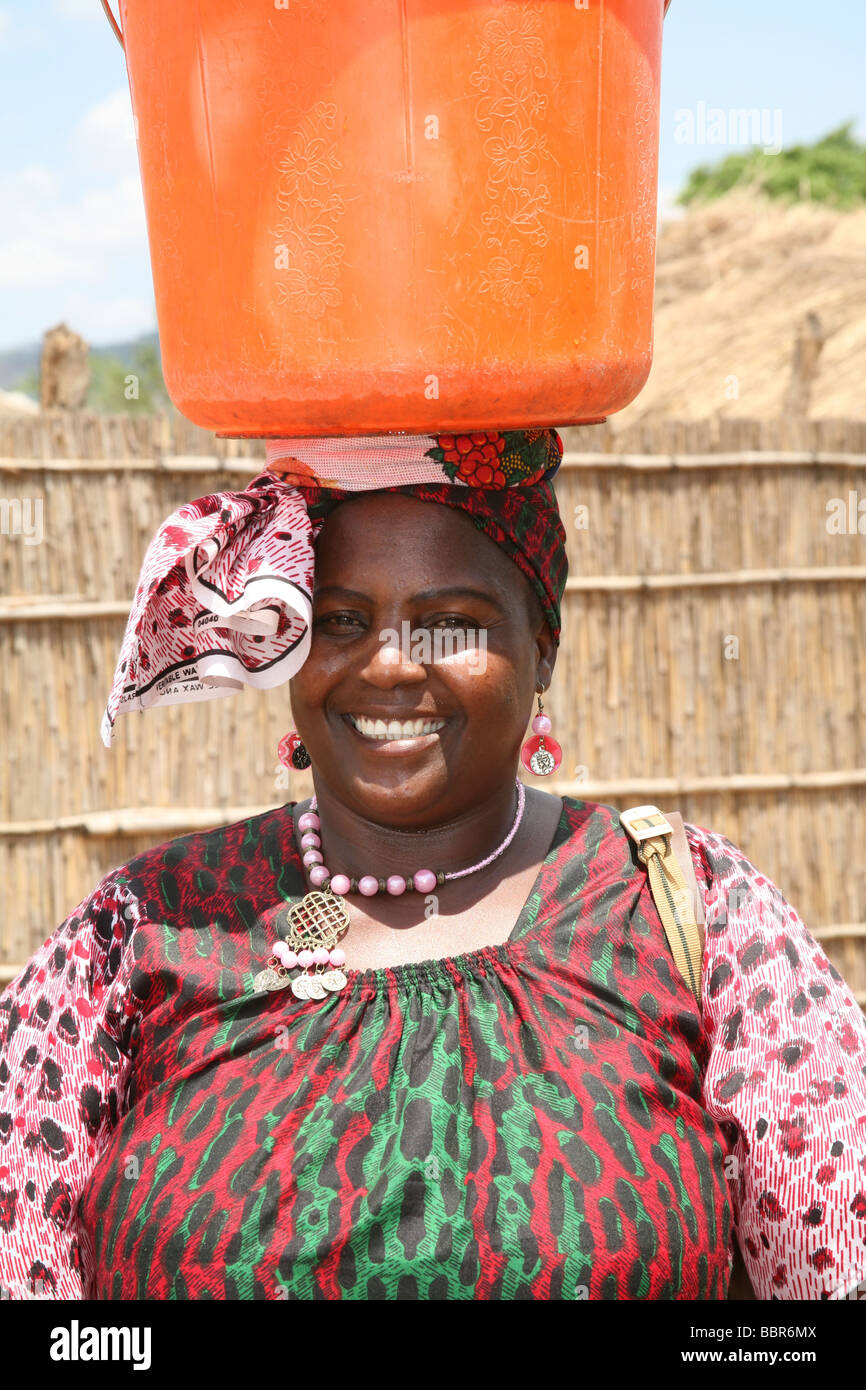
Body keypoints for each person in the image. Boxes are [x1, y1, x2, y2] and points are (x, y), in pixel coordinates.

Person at [1, 428, 864, 1301]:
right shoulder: (142, 931)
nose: (388, 664)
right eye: (341, 620)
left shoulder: (696, 913)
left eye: (452, 622)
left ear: (542, 648)